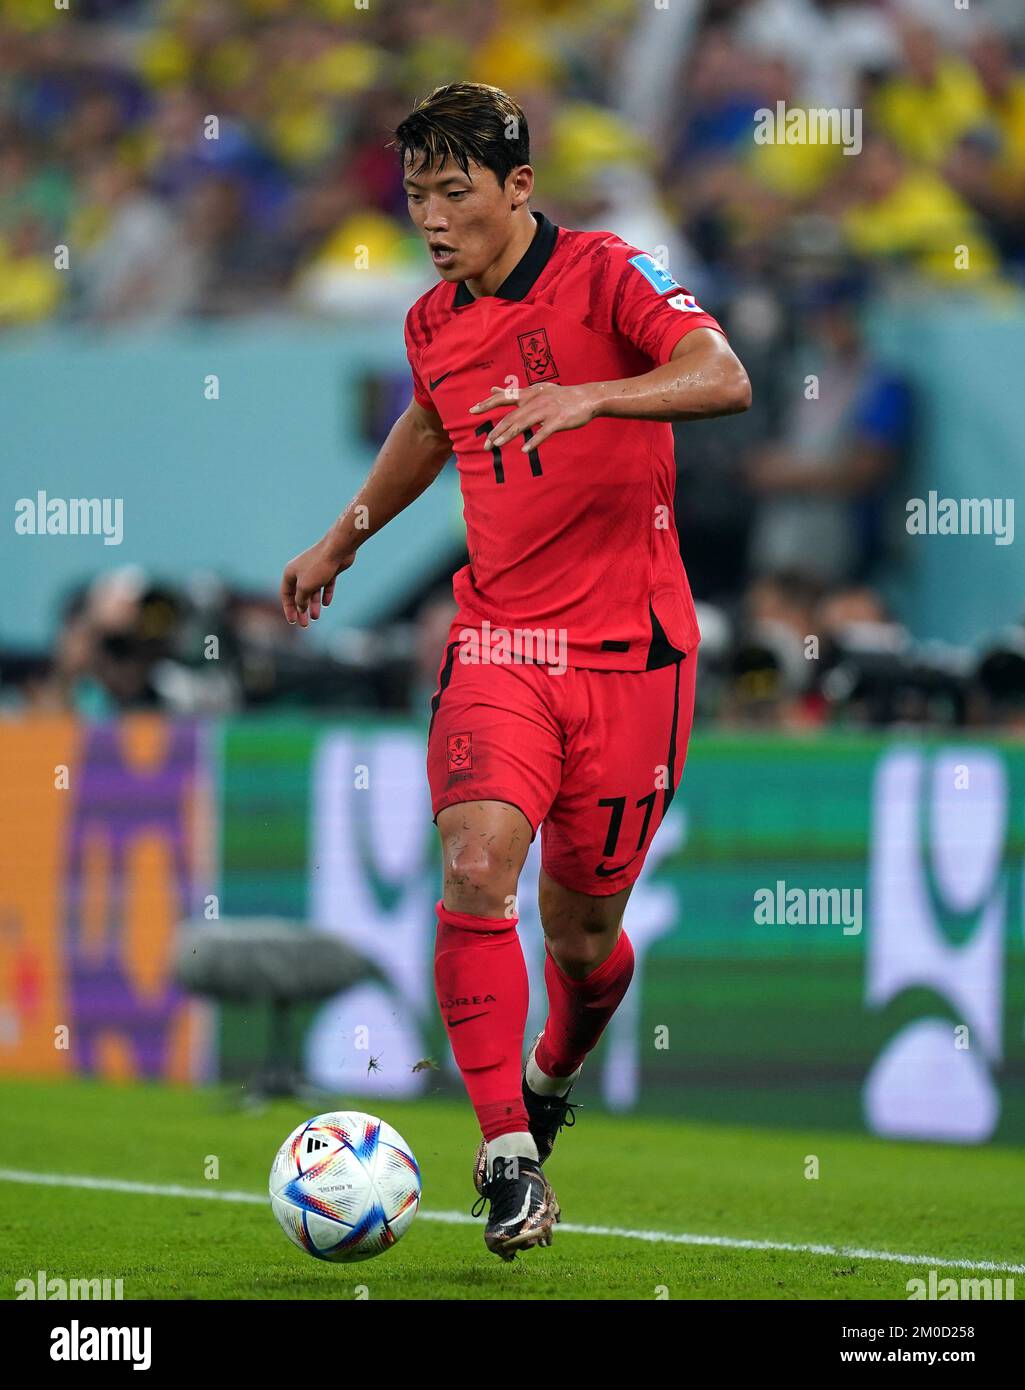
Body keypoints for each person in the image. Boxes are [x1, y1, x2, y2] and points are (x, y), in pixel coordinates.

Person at [279, 82, 751, 1260]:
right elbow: (431, 427)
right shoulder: (432, 321)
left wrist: (593, 392)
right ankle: (505, 1159)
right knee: (475, 861)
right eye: (416, 196)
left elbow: (722, 373)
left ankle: (548, 1077)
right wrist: (343, 534)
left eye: (455, 192)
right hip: (499, 648)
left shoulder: (607, 273)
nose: (432, 219)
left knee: (582, 942)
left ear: (517, 187)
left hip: (634, 657)